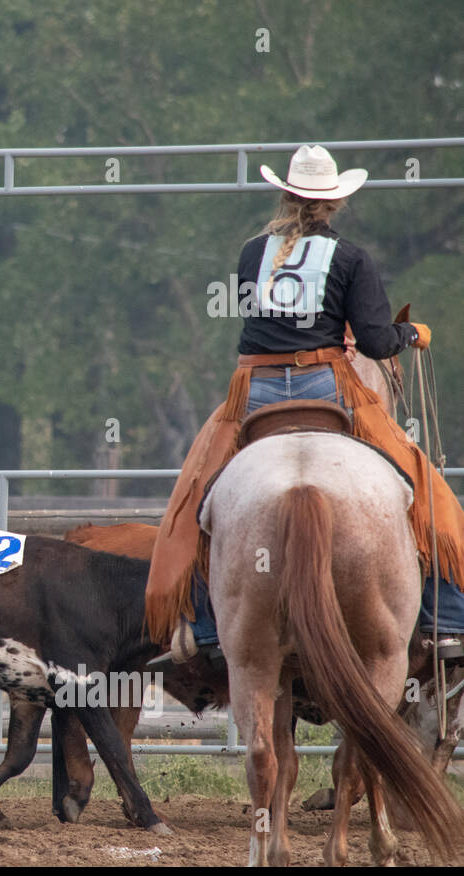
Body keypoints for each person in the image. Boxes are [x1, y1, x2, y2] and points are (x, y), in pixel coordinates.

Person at [146, 145, 464, 663]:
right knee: (424, 489)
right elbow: (377, 342)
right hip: (326, 386)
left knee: (198, 493)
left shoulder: (253, 253)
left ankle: (201, 626)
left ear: (285, 193)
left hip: (255, 390)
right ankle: (447, 618)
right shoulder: (352, 257)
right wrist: (412, 332)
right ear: (335, 202)